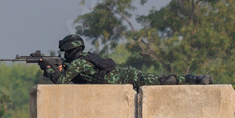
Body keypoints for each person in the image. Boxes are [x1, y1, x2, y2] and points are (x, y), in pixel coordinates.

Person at [40, 34, 214, 89]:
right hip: (124, 76)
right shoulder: (83, 60)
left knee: (162, 81)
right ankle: (196, 79)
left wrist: (47, 67)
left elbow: (61, 81)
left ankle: (197, 79)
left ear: (70, 50)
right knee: (160, 81)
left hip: (125, 77)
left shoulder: (78, 63)